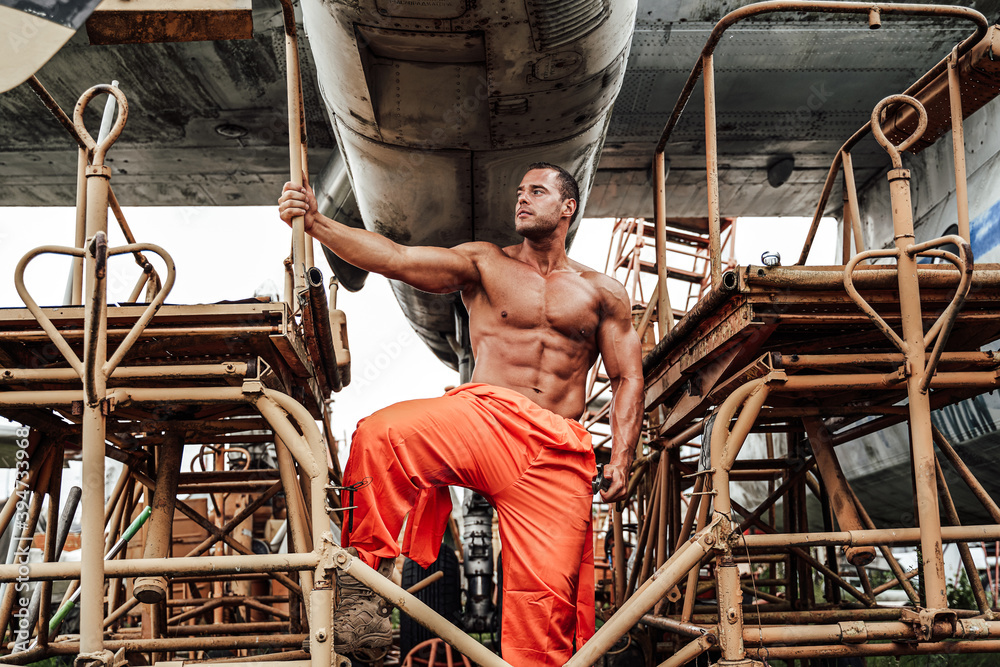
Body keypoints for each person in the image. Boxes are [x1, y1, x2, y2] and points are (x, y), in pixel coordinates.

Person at [278, 163, 644, 666]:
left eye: (536, 191)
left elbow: (628, 377)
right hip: (487, 418)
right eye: (520, 189)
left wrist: (622, 458)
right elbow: (398, 258)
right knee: (383, 434)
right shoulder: (484, 263)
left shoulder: (602, 292)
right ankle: (362, 589)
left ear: (567, 207)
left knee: (546, 617)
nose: (522, 198)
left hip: (556, 448)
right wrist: (319, 223)